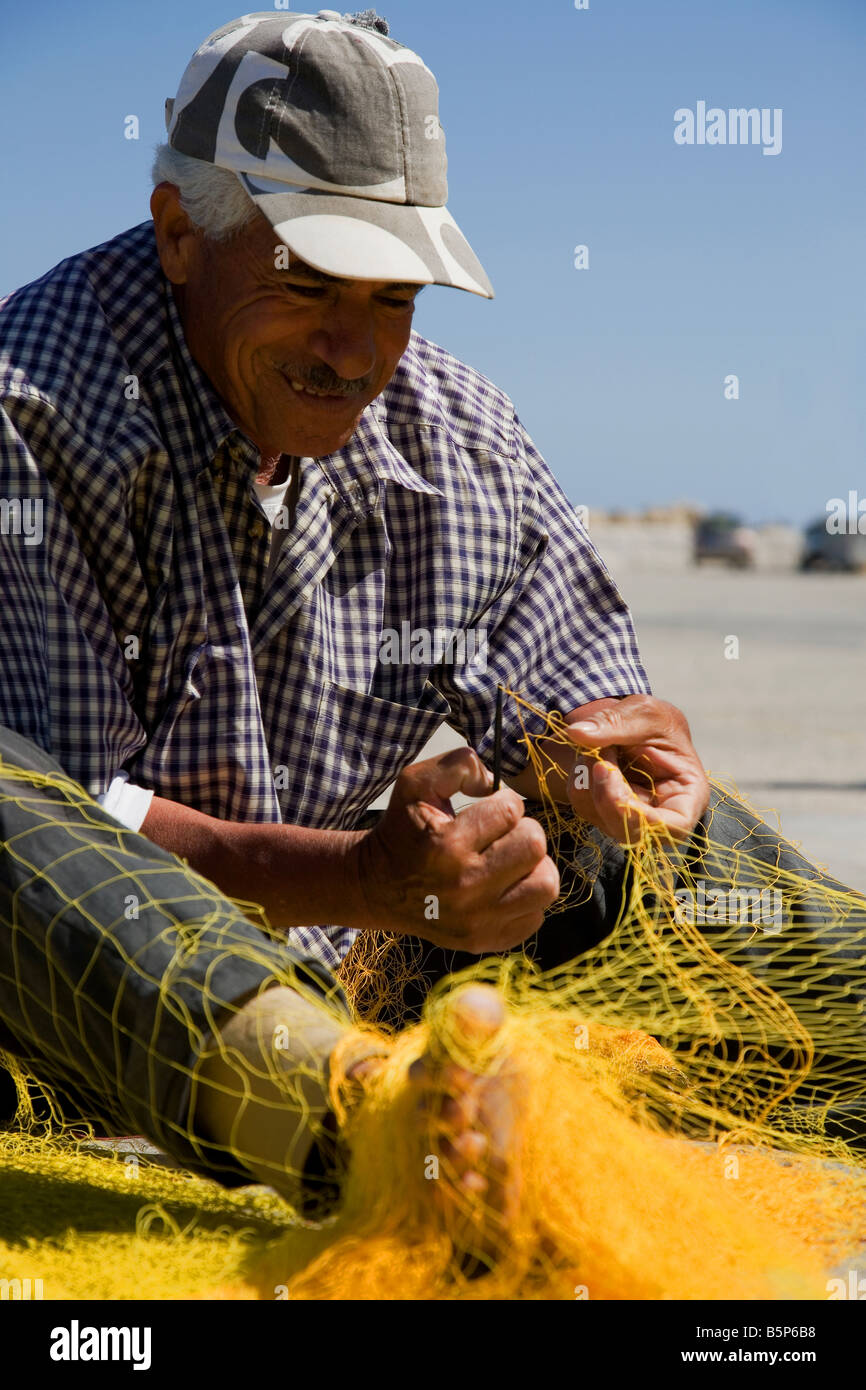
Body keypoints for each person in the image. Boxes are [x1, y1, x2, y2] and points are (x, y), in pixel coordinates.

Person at [0, 10, 859, 1229]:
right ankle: (360, 1117)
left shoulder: (459, 432)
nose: (357, 351)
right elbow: (65, 830)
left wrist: (610, 768)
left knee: (680, 863)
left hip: (370, 969)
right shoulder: (29, 415)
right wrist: (362, 878)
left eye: (394, 297)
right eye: (309, 284)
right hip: (84, 1028)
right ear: (181, 234)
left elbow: (576, 710)